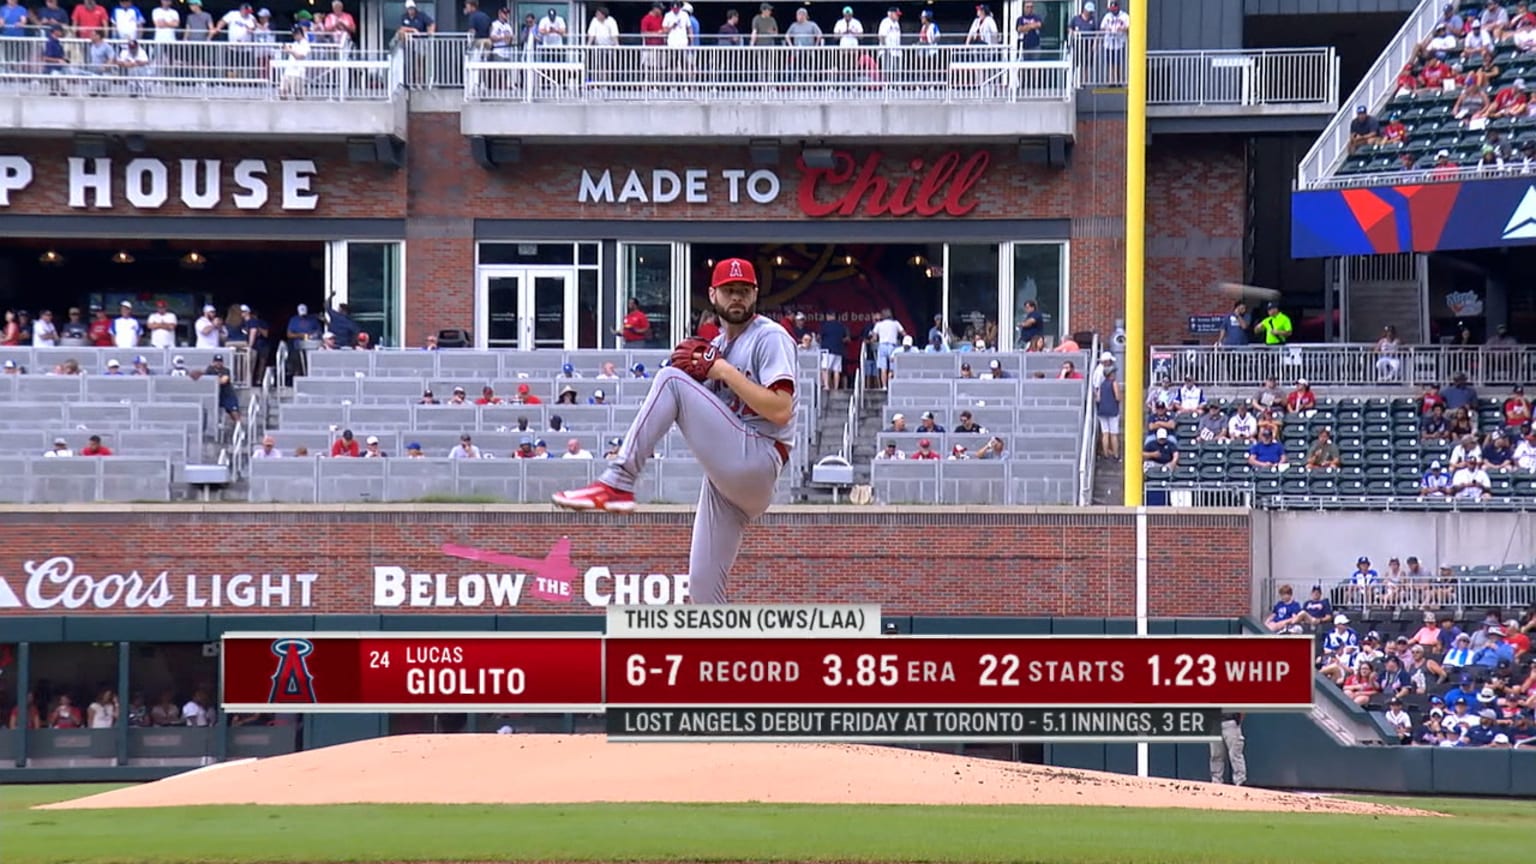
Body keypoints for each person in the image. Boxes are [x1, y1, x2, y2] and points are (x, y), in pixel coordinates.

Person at [554, 258, 796, 605]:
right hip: (728, 482)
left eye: (744, 291)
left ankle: (618, 481)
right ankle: (726, 658)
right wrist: (712, 372)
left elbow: (780, 408)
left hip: (760, 454)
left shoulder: (769, 337)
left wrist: (723, 372)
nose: (737, 298)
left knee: (670, 379)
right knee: (702, 589)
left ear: (756, 293)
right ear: (713, 295)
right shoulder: (720, 346)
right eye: (729, 291)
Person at [1209, 712, 1246, 786]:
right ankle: (1216, 781)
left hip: (1230, 722)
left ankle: (1240, 781)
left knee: (1235, 755)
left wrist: (1237, 723)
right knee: (1216, 755)